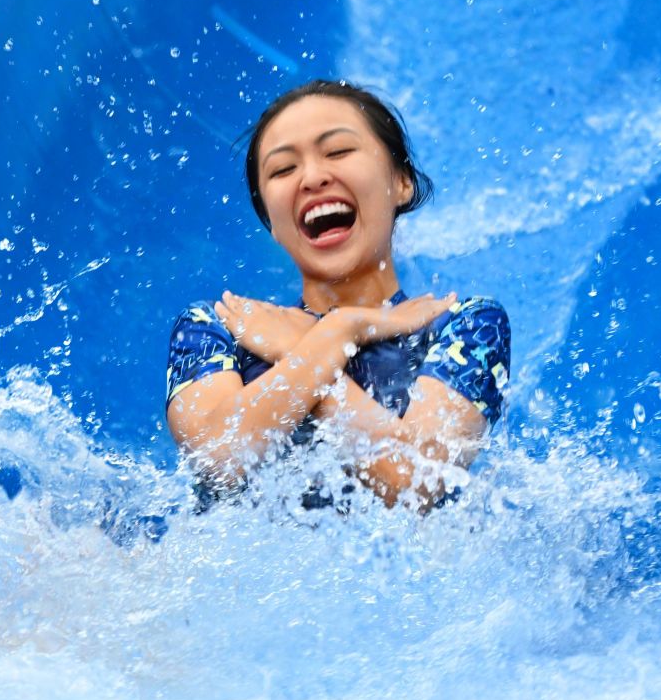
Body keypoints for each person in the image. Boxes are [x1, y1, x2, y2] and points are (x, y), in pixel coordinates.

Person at [164, 79, 510, 511]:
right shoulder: (221, 327)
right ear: (271, 219)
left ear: (401, 182)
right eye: (283, 170)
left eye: (338, 152)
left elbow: (415, 485)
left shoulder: (466, 328)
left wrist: (310, 349)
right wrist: (339, 332)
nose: (312, 177)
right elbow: (219, 462)